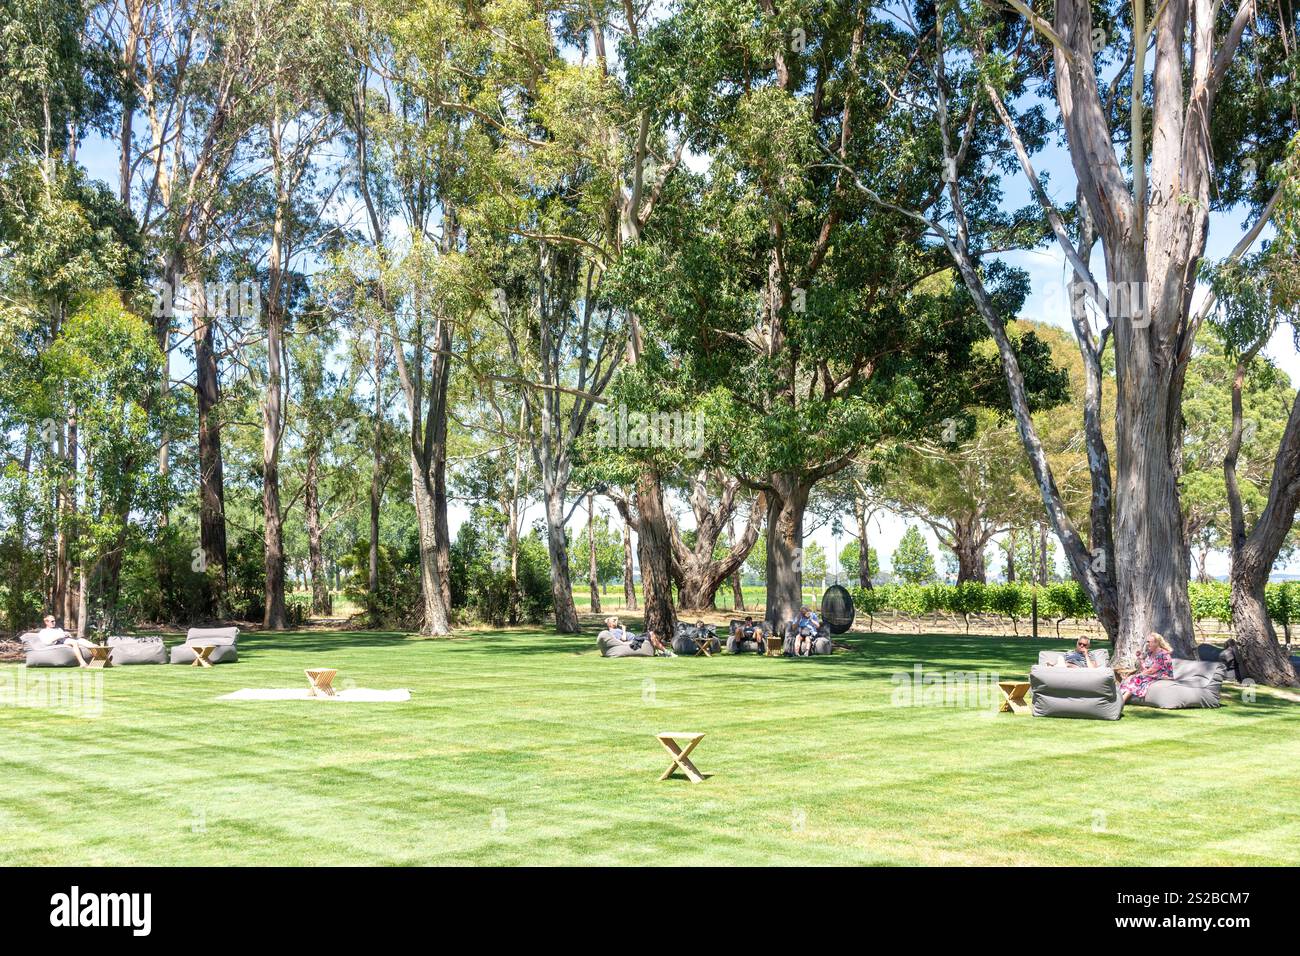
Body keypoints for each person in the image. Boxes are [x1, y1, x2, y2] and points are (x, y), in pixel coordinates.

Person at [1119, 632, 1174, 704]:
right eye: (1147, 642)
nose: (1147, 644)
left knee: (1137, 678)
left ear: (1156, 643)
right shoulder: (1150, 653)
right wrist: (1140, 658)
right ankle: (1119, 697)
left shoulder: (1162, 654)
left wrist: (1139, 675)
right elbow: (1146, 669)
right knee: (1131, 678)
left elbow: (1152, 671)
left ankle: (1122, 701)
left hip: (1163, 676)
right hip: (1152, 675)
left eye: (1149, 642)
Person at [604, 616, 673, 657]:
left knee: (653, 635)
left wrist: (612, 619)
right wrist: (624, 630)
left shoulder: (615, 629)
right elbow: (623, 639)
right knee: (651, 633)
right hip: (635, 640)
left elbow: (616, 617)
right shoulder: (613, 631)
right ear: (610, 624)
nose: (616, 622)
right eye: (614, 621)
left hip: (636, 637)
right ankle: (666, 652)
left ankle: (661, 651)